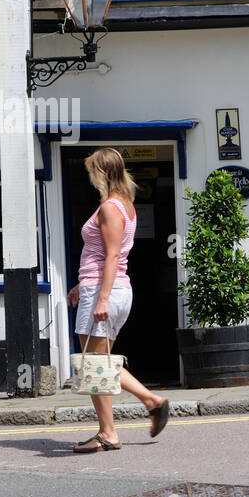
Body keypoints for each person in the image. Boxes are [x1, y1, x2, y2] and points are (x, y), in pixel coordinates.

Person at [68, 147, 170, 452]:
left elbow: (112, 255)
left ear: (100, 172)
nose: (89, 177)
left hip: (105, 291)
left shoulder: (111, 207)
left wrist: (100, 298)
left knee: (93, 364)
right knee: (100, 362)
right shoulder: (125, 204)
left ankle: (115, 428)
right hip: (108, 288)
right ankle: (145, 406)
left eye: (91, 171)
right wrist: (79, 285)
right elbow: (103, 255)